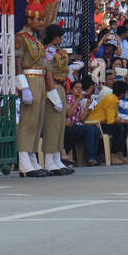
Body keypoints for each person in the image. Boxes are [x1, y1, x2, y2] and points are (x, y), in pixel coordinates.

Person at [14, 0, 55, 177]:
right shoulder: (21, 37)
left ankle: (31, 158)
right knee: (28, 121)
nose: (40, 23)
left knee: (37, 121)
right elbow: (18, 63)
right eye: (37, 20)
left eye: (41, 20)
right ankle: (23, 159)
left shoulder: (35, 40)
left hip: (39, 79)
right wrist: (23, 87)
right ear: (29, 19)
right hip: (29, 78)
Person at [38, 21, 75, 175]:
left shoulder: (58, 51)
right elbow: (47, 72)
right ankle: (49, 159)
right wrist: (52, 94)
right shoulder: (48, 51)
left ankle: (56, 157)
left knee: (59, 126)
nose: (61, 39)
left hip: (61, 86)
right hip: (52, 87)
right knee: (52, 125)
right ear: (54, 37)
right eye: (60, 36)